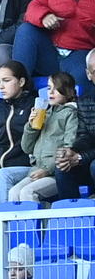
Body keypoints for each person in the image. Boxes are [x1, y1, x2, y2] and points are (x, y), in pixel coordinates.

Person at [14, 69, 87, 205]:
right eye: (49, 88)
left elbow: (69, 147)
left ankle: (40, 220)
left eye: (56, 88)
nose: (51, 92)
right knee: (14, 192)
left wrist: (47, 170)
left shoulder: (71, 114)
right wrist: (31, 126)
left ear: (69, 92)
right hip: (37, 170)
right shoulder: (45, 113)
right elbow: (27, 148)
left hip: (56, 174)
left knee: (27, 192)